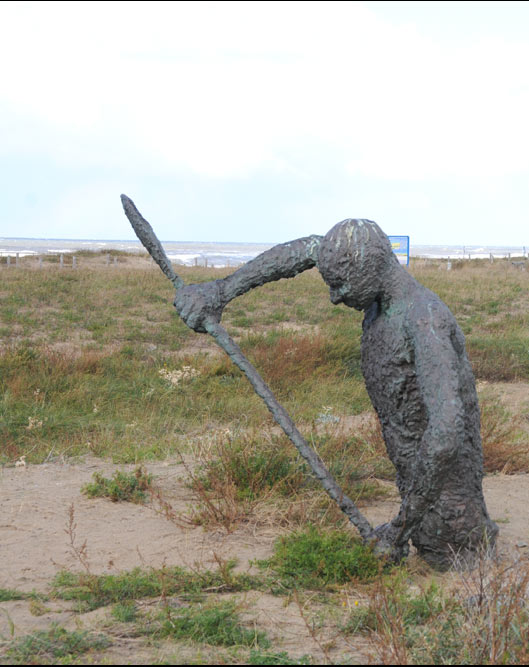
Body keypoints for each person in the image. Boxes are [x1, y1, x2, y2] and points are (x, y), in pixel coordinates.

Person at [174, 219, 497, 570]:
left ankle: (462, 548)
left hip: (452, 527)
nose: (334, 297)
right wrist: (221, 292)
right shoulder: (377, 289)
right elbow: (305, 250)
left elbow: (446, 433)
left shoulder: (424, 319)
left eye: (340, 284)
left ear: (367, 267)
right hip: (417, 496)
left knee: (447, 548)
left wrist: (400, 530)